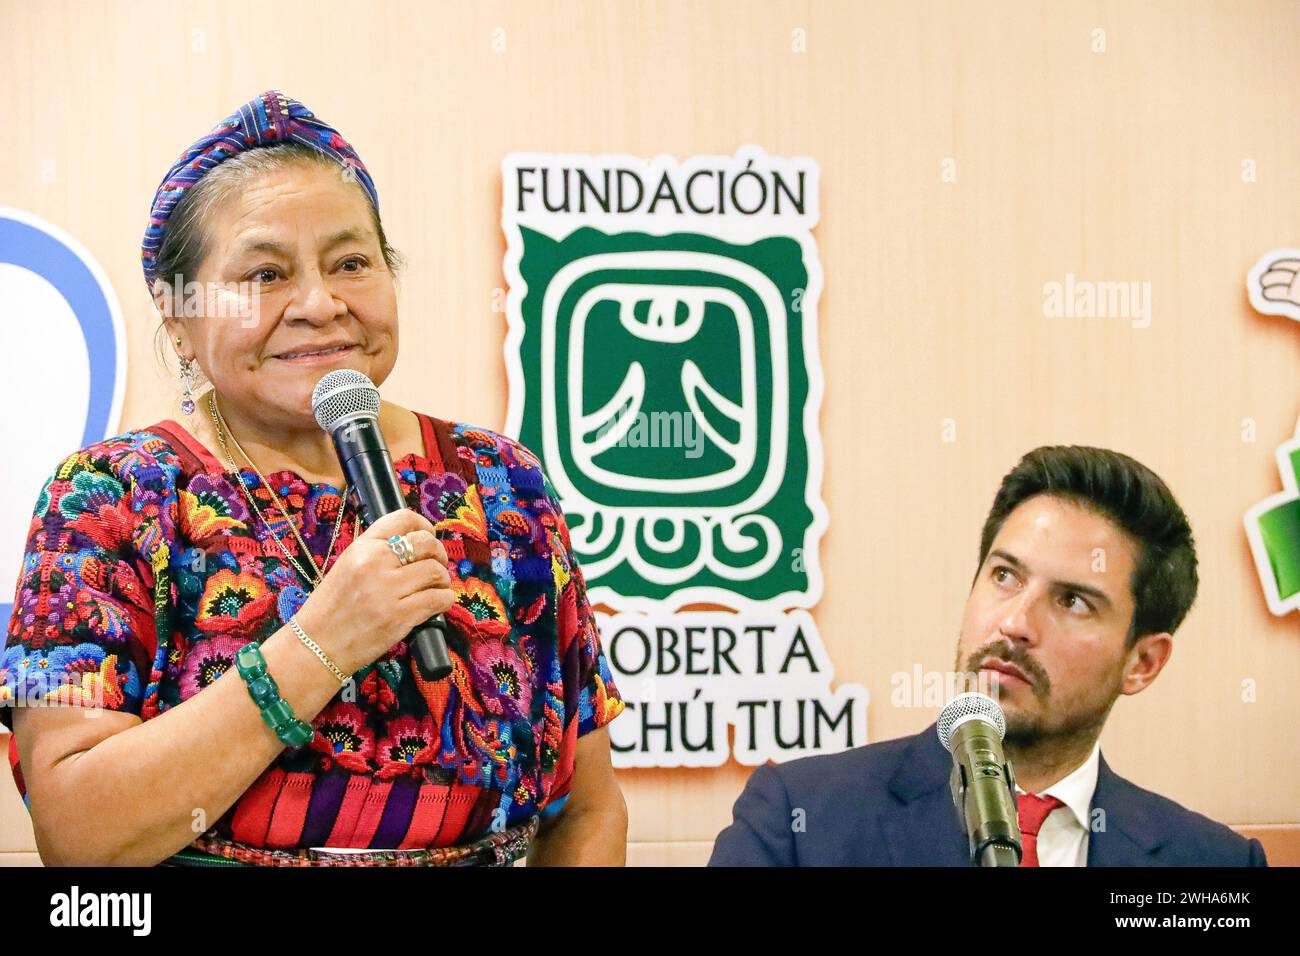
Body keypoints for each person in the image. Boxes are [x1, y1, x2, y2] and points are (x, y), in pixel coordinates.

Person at [1, 90, 626, 866]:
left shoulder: (502, 484)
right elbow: (78, 837)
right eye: (265, 274)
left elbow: (588, 809)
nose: (321, 304)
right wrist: (322, 641)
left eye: (352, 263)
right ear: (180, 323)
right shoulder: (106, 497)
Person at [710, 446, 1267, 866]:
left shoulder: (1212, 864)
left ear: (1142, 662)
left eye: (1072, 600)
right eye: (1005, 576)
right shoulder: (801, 821)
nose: (1015, 623)